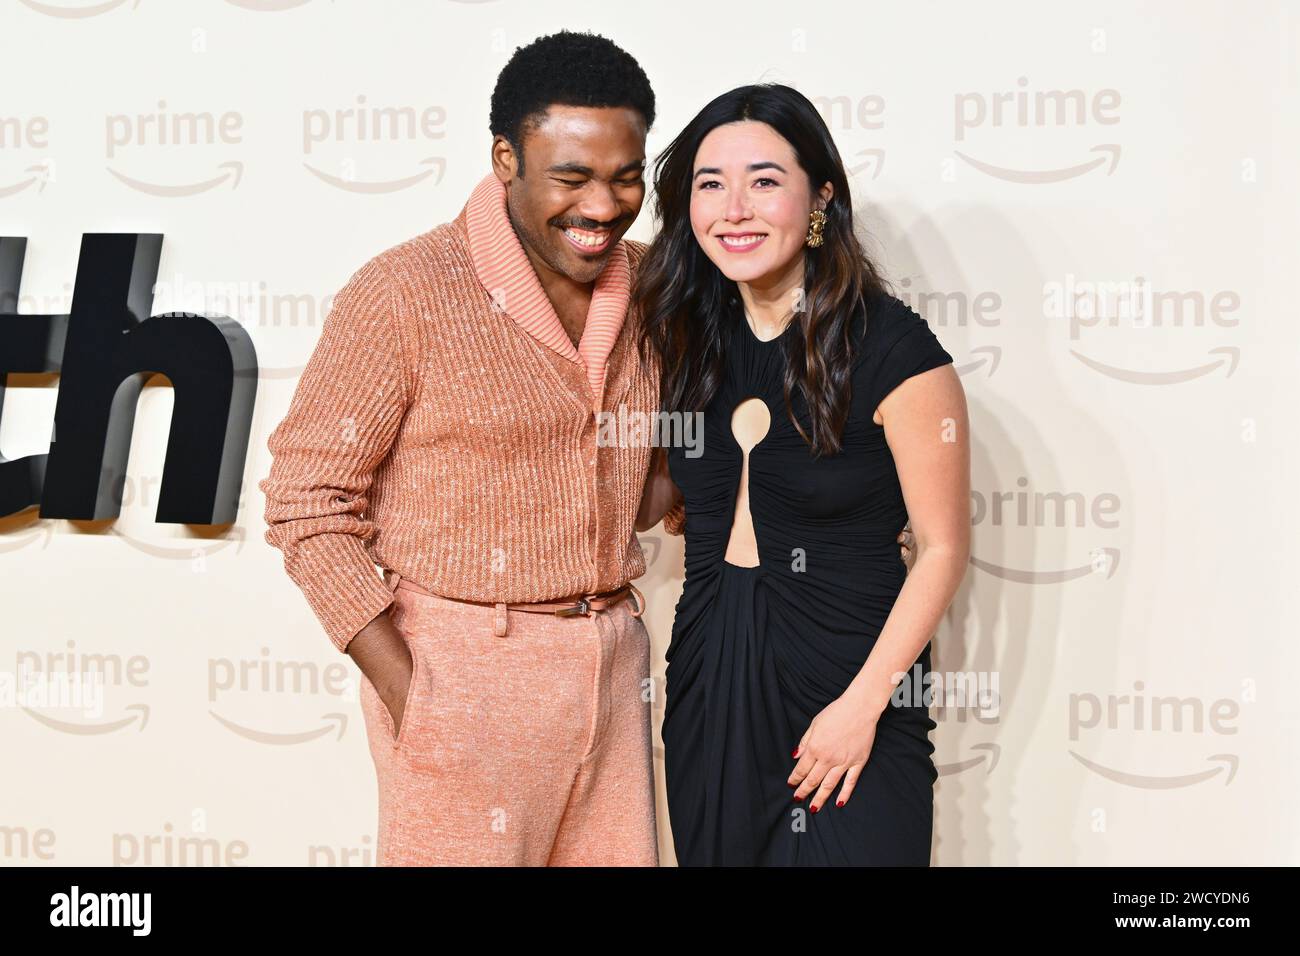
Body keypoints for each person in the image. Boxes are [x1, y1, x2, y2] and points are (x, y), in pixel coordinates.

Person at [258, 30, 663, 866]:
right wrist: (412, 687)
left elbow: (674, 465)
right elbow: (305, 498)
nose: (602, 206)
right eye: (572, 178)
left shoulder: (659, 289)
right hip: (466, 672)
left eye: (626, 177)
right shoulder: (404, 291)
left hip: (616, 666)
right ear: (506, 159)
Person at [635, 83, 971, 866]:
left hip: (852, 692)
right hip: (711, 688)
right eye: (710, 185)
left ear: (820, 197)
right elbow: (659, 499)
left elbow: (943, 548)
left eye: (764, 181)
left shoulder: (893, 350)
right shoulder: (686, 341)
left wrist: (862, 707)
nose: (734, 210)